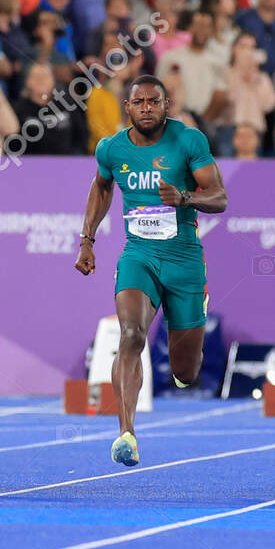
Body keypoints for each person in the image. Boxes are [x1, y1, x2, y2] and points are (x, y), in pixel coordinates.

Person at [74, 76, 228, 468]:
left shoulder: (188, 140)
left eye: (153, 102)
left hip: (185, 259)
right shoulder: (111, 148)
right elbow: (101, 187)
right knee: (130, 334)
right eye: (138, 102)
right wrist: (87, 240)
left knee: (186, 372)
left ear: (166, 104)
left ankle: (194, 313)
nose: (146, 107)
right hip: (139, 255)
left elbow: (220, 197)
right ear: (127, 107)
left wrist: (186, 197)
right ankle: (126, 432)